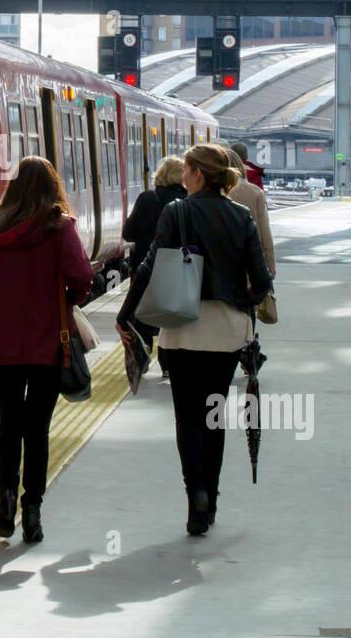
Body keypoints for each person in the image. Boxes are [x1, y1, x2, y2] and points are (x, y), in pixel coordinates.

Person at [115, 144, 272, 537]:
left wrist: (125, 315)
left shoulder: (177, 212)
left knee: (187, 417)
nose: (182, 175)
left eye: (186, 169)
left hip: (183, 328)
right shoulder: (241, 215)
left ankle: (196, 500)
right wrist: (239, 301)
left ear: (199, 174)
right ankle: (213, 498)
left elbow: (149, 266)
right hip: (227, 332)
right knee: (213, 417)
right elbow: (263, 280)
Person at [0, 156, 94, 545]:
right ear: (52, 187)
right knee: (37, 429)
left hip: (2, 346)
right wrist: (67, 300)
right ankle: (32, 510)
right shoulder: (60, 228)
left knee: (8, 424)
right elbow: (81, 277)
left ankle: (6, 498)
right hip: (46, 346)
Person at [121, 155, 186, 376]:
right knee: (170, 318)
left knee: (141, 315)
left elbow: (127, 233)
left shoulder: (147, 198)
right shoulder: (187, 201)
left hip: (144, 267)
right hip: (176, 269)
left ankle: (142, 353)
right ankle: (167, 365)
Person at [225, 147, 276, 280]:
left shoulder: (211, 192)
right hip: (251, 257)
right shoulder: (255, 192)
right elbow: (265, 231)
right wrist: (270, 263)